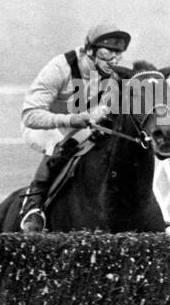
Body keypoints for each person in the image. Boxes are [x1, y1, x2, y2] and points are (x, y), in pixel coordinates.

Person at [17, 22, 130, 232]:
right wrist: (69, 120)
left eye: (118, 55)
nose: (113, 61)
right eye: (107, 53)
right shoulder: (59, 68)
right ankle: (34, 206)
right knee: (60, 142)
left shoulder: (115, 76)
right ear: (89, 50)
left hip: (80, 126)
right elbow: (30, 115)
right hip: (43, 127)